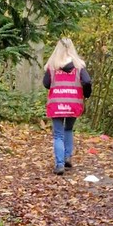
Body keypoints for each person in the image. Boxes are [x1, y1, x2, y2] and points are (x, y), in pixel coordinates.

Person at [42, 39, 92, 175]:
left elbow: (46, 84)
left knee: (58, 134)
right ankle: (67, 157)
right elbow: (87, 81)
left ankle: (59, 165)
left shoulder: (52, 66)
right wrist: (86, 94)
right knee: (68, 129)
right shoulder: (79, 66)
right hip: (73, 103)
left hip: (56, 103)